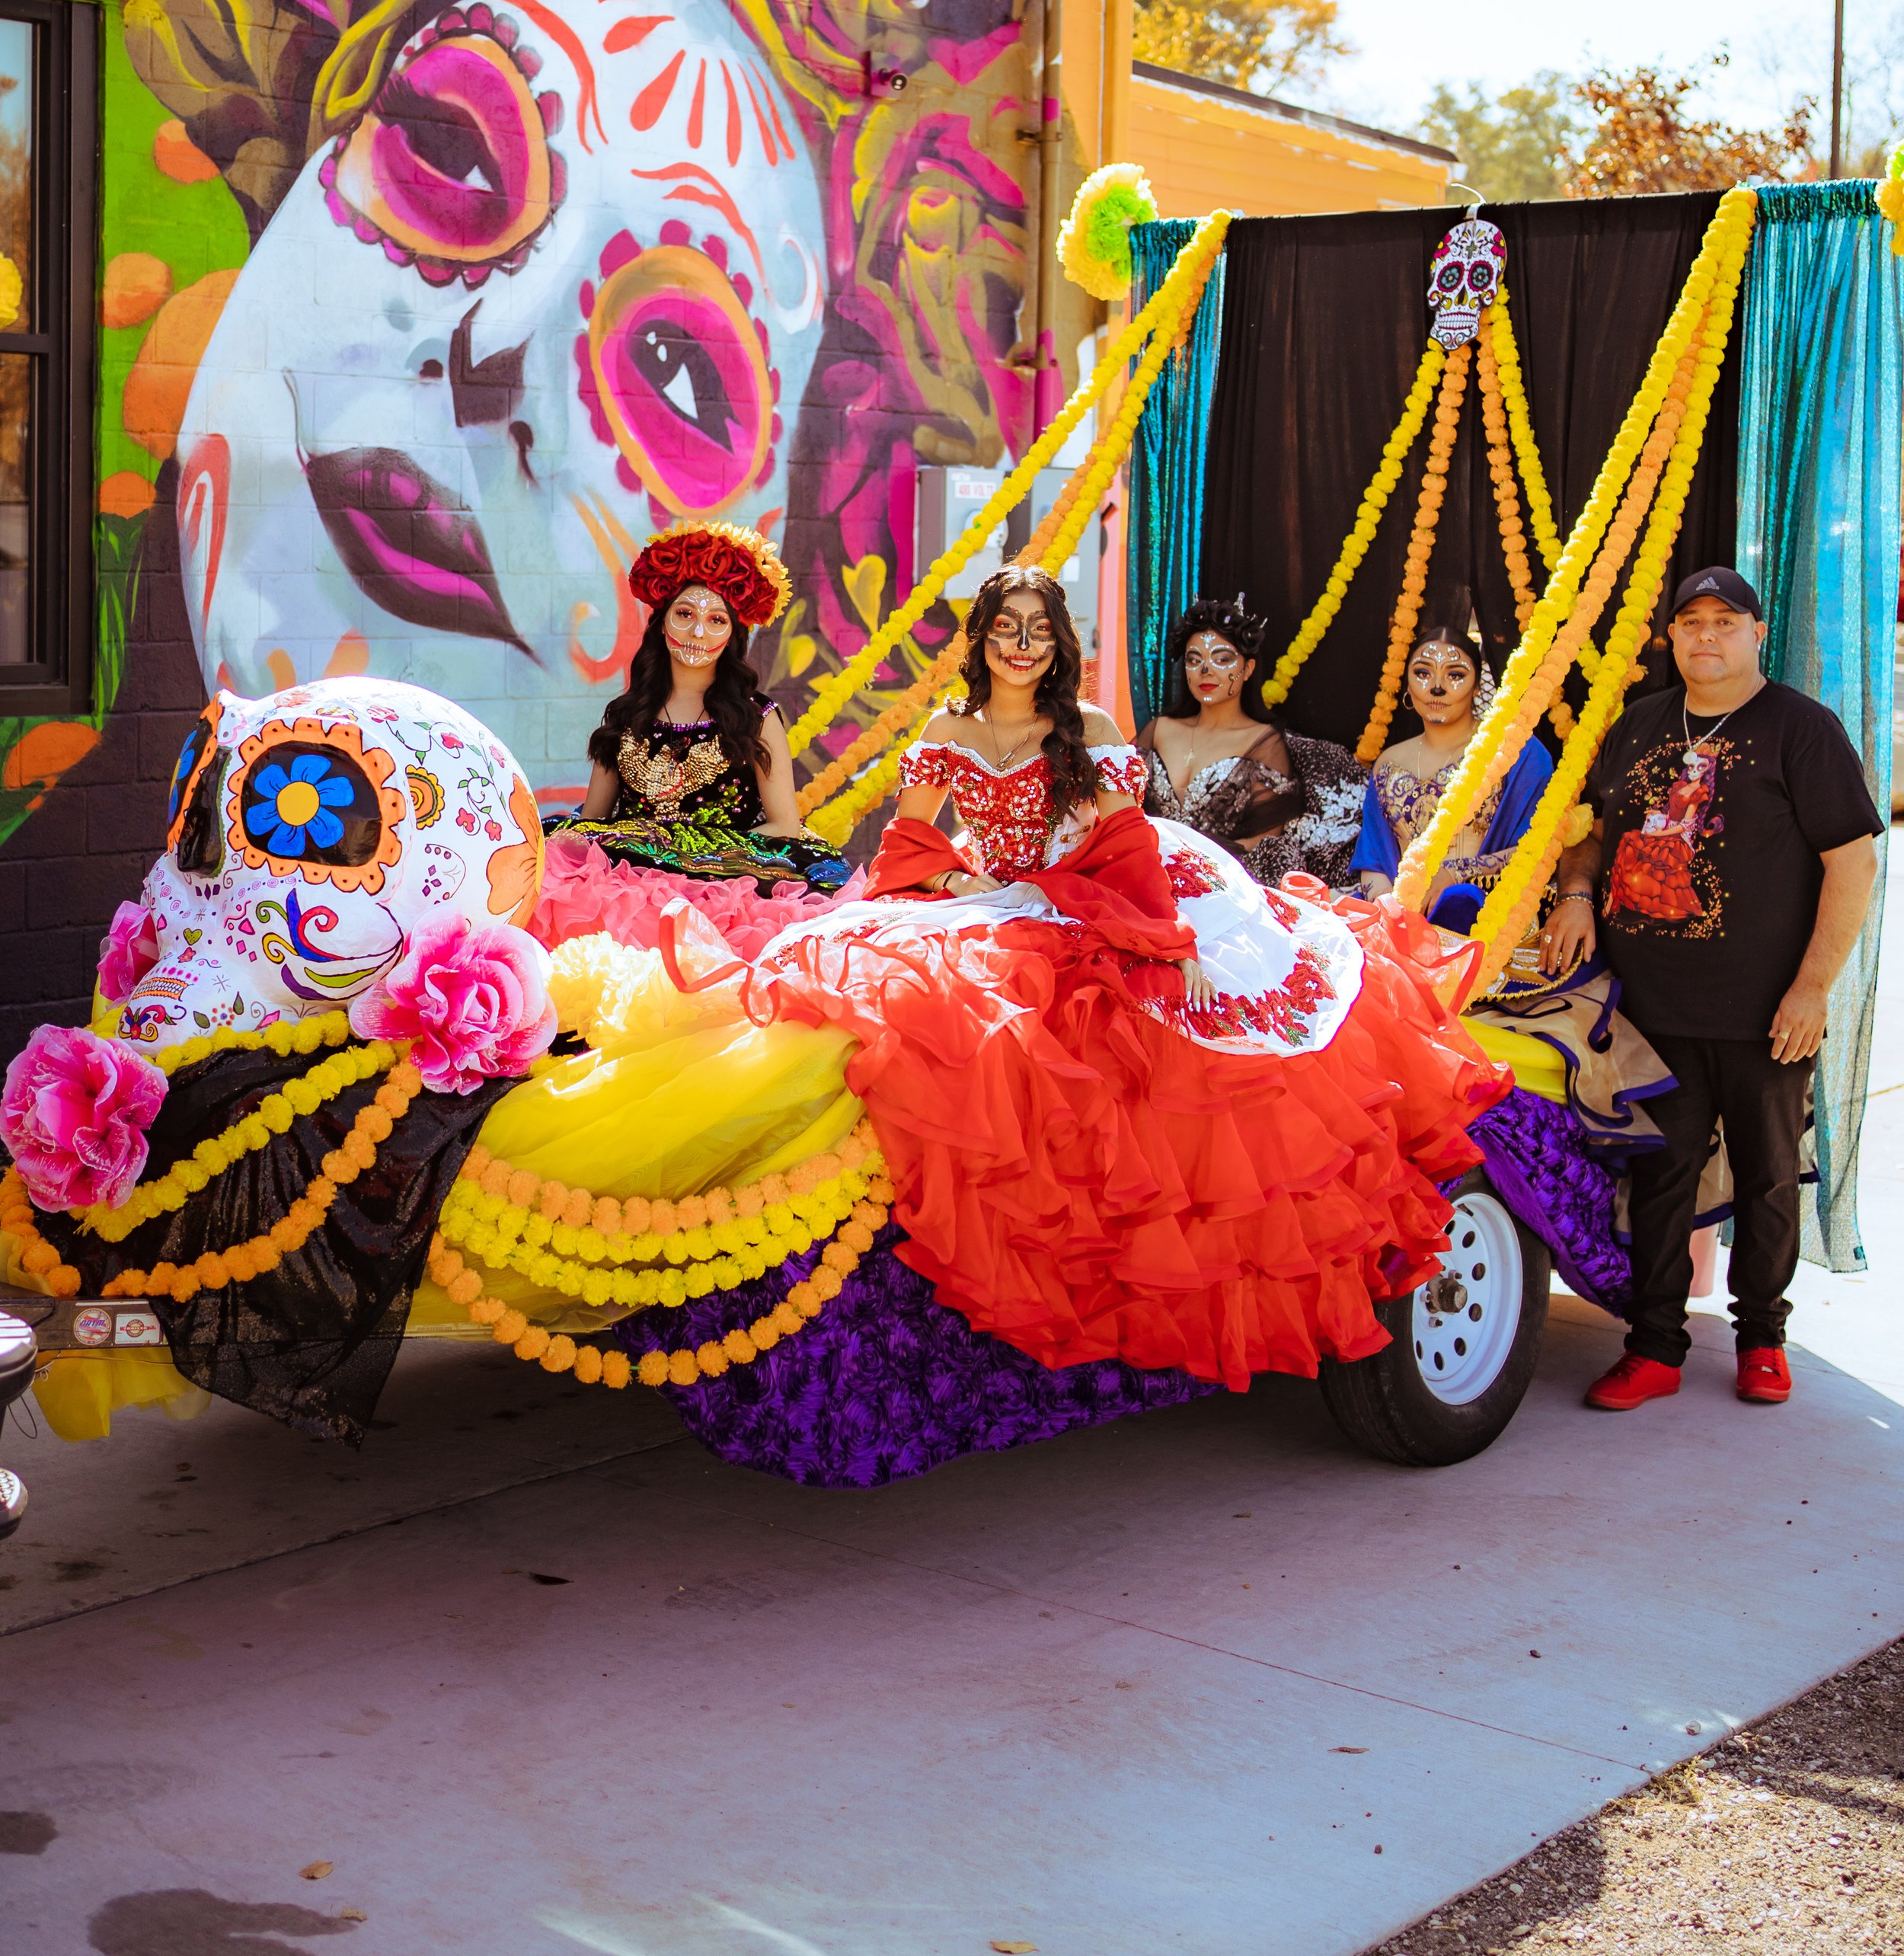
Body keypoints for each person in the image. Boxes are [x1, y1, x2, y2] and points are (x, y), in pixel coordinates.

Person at [745, 567, 1506, 1389]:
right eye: (1006, 628)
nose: (1022, 646)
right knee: (888, 982)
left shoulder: (1091, 726)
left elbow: (1124, 845)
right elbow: (910, 843)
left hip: (1094, 887)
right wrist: (957, 880)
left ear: (1059, 644)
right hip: (990, 894)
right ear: (981, 638)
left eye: (1040, 630)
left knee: (1133, 1032)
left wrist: (1169, 939)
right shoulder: (948, 727)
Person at [1540, 567, 1882, 1411]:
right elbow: (1590, 831)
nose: (1707, 636)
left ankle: (1761, 1338)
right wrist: (1577, 892)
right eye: (1691, 622)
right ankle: (1655, 1347)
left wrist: (1812, 989)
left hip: (1767, 1012)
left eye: (1725, 622)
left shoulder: (1801, 729)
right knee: (1662, 1178)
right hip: (1652, 1009)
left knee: (1767, 1178)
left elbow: (1853, 864)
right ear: (1672, 639)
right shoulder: (1639, 724)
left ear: (1757, 634)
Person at [538, 522, 851, 954]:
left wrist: (689, 861)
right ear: (662, 622)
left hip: (728, 892)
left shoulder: (757, 718)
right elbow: (594, 820)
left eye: (716, 620)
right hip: (627, 890)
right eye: (685, 614)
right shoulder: (626, 715)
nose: (698, 633)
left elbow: (785, 824)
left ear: (733, 635)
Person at [1136, 595, 1368, 892]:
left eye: (1222, 659)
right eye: (1194, 660)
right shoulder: (1159, 730)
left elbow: (1263, 844)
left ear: (1247, 669)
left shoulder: (1263, 743)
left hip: (1220, 887)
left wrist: (1194, 874)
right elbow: (1121, 805)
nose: (1206, 670)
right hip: (1146, 874)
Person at [1354, 625, 1552, 931]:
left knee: (1460, 902)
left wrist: (1456, 873)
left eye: (1455, 675)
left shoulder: (1514, 751)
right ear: (1407, 683)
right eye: (1423, 673)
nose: (1437, 688)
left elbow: (1542, 848)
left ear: (1478, 687)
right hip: (1401, 918)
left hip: (1488, 913)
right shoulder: (1388, 763)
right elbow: (1373, 860)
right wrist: (1389, 911)